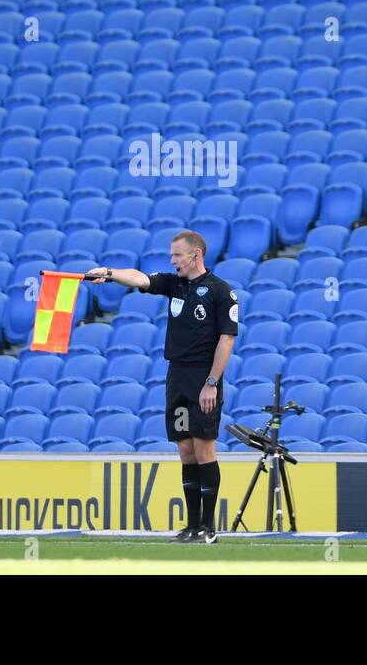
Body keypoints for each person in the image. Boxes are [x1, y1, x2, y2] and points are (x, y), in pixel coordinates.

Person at [86, 230, 238, 543]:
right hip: (177, 376)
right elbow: (140, 278)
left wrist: (212, 382)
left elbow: (227, 339)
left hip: (203, 378)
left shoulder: (221, 291)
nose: (172, 261)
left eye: (177, 255)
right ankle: (192, 525)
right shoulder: (175, 285)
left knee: (203, 447)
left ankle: (209, 528)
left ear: (195, 254)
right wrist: (111, 273)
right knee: (185, 449)